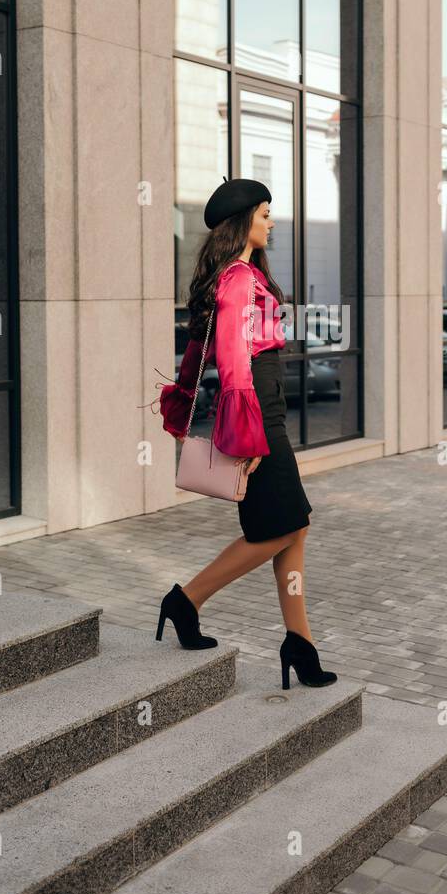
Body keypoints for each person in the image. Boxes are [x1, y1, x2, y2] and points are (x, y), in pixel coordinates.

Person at [153, 177, 336, 690]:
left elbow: (196, 350)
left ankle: (299, 643)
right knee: (277, 529)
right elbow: (232, 360)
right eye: (265, 214)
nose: (272, 222)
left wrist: (184, 397)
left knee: (293, 525)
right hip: (258, 409)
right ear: (243, 223)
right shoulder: (236, 279)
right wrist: (247, 435)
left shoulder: (241, 277)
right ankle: (186, 601)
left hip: (267, 406)